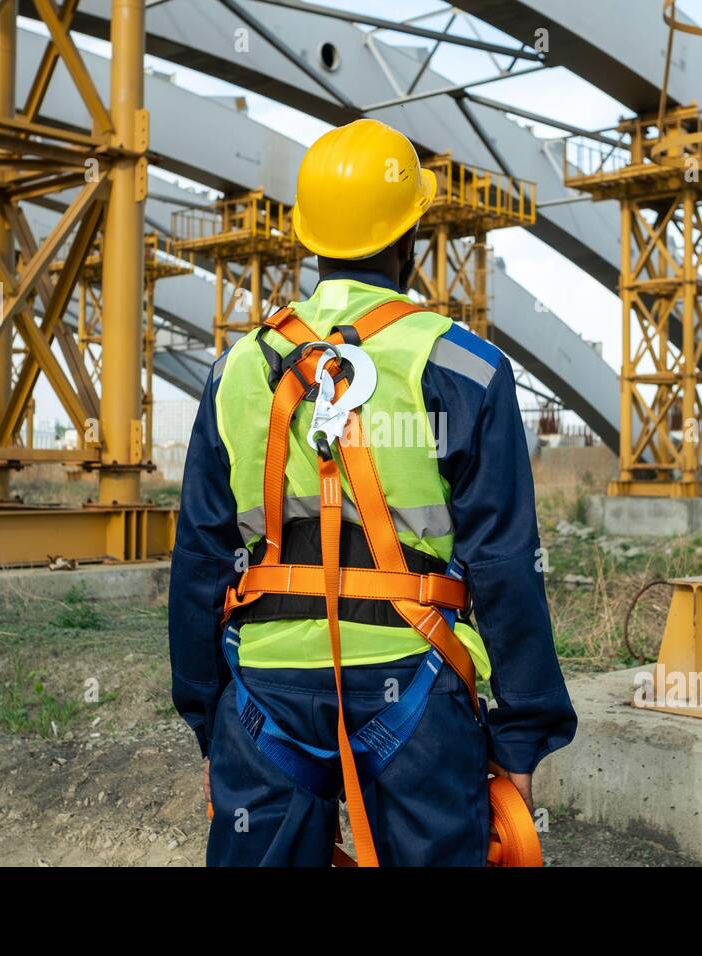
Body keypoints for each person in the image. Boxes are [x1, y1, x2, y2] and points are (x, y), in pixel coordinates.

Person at [169, 117, 576, 866]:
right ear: (410, 235)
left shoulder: (237, 371)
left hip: (265, 694)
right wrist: (523, 732)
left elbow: (198, 557)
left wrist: (208, 716)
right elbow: (507, 564)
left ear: (310, 237)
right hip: (414, 683)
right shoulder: (466, 367)